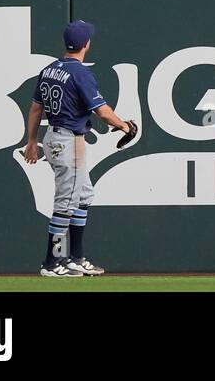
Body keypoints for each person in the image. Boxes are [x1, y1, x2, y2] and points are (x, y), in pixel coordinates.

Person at [23, 20, 137, 278]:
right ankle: (51, 262)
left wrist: (31, 141)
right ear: (87, 44)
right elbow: (102, 112)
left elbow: (35, 109)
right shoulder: (80, 73)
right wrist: (124, 126)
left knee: (83, 195)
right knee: (66, 200)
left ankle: (75, 258)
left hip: (54, 136)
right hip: (68, 141)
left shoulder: (49, 69)